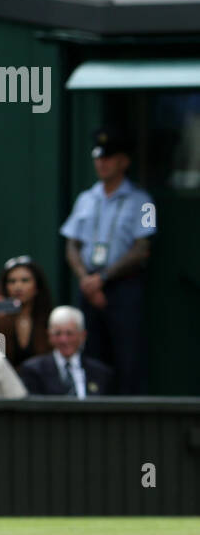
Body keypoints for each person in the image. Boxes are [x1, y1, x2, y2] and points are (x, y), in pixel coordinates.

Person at [60, 127, 154, 395]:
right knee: (91, 354)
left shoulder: (144, 203)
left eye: (109, 157)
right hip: (89, 287)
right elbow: (71, 244)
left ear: (124, 161)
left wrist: (103, 279)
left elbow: (143, 248)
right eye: (98, 157)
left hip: (123, 287)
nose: (102, 163)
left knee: (129, 356)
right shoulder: (85, 198)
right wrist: (86, 280)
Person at [0, 254, 52, 369]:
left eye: (25, 280)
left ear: (37, 287)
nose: (18, 286)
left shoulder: (49, 319)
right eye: (12, 281)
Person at [18, 306, 113, 398]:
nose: (63, 340)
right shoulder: (34, 371)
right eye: (57, 334)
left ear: (82, 336)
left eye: (69, 333)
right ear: (49, 336)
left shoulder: (100, 373)